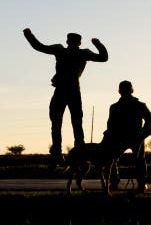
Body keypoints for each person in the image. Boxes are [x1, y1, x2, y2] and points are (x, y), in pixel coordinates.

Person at [22, 28, 108, 165]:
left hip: (65, 91)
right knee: (73, 123)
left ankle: (60, 153)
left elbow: (39, 47)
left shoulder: (63, 50)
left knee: (60, 123)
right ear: (79, 43)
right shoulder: (80, 53)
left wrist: (28, 35)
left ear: (68, 41)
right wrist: (97, 43)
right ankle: (71, 152)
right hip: (70, 91)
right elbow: (104, 57)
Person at [100, 80, 151, 193]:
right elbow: (150, 118)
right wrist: (143, 132)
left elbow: (150, 118)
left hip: (131, 137)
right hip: (127, 137)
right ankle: (139, 184)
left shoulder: (116, 107)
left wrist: (143, 132)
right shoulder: (134, 105)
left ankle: (115, 182)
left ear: (119, 91)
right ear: (132, 90)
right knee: (135, 159)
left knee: (115, 159)